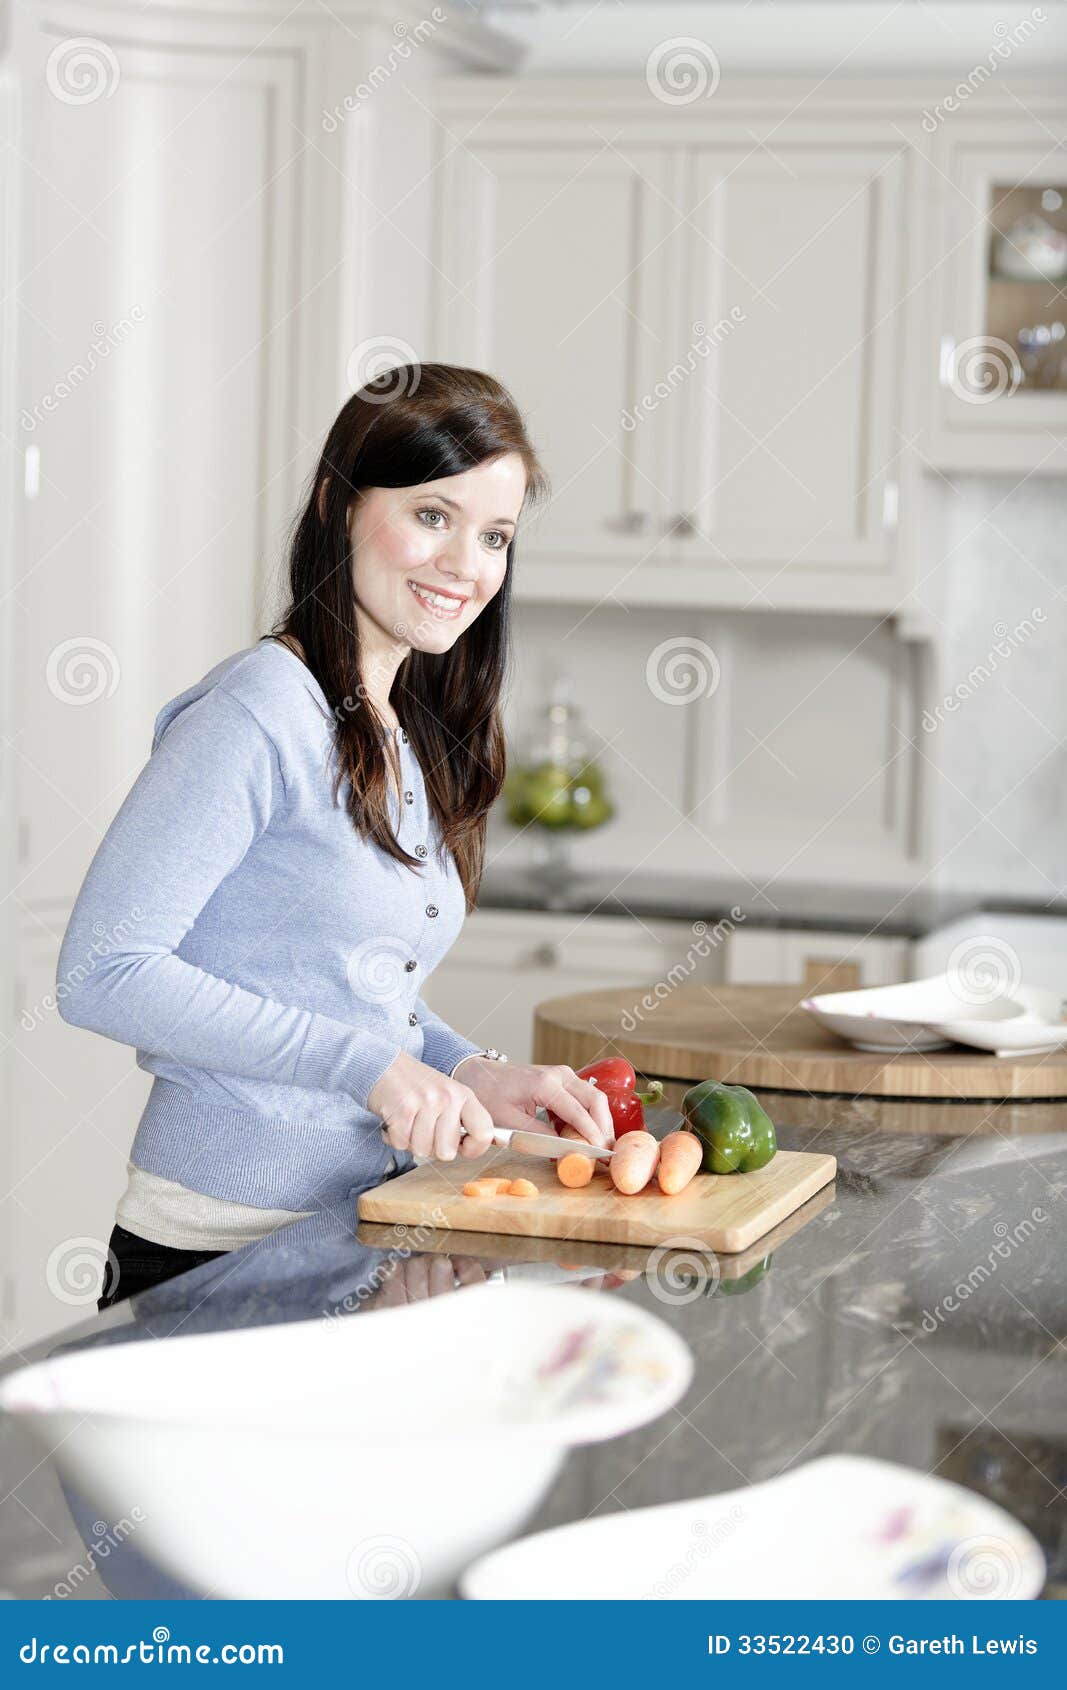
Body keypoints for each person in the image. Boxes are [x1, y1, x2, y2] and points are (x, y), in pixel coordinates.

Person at [55, 363, 614, 1309]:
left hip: (353, 1225)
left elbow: (347, 988)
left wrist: (469, 1071)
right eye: (432, 515)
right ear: (338, 506)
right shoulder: (258, 711)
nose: (465, 565)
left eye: (494, 536)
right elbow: (102, 971)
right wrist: (366, 1068)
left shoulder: (397, 727)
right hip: (218, 1247)